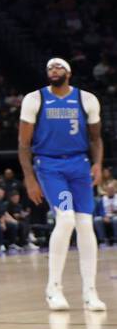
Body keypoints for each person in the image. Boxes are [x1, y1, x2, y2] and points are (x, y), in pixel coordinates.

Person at [19, 57, 105, 311]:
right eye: (49, 68)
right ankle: (53, 288)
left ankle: (90, 291)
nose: (53, 71)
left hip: (79, 165)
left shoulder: (86, 99)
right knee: (66, 218)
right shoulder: (35, 99)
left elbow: (96, 139)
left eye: (58, 67)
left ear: (68, 72)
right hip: (50, 166)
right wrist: (29, 178)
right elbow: (24, 144)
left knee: (86, 224)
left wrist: (97, 164)